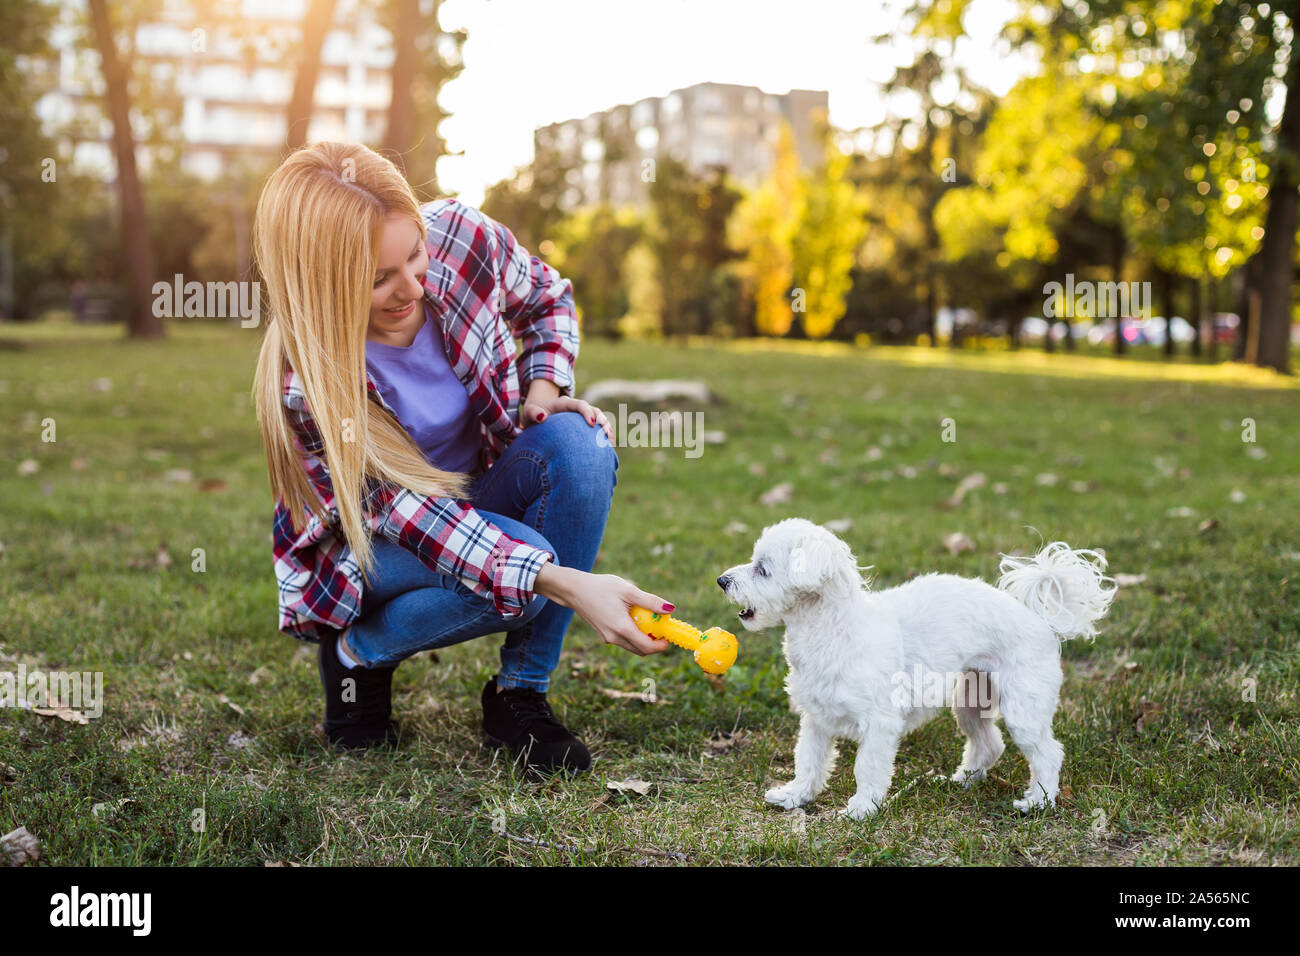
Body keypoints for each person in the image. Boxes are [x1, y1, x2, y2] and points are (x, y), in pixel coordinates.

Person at [250, 142, 673, 777]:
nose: (413, 288)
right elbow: (411, 513)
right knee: (526, 580)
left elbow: (547, 299)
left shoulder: (462, 238)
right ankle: (359, 652)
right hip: (377, 542)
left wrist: (542, 395)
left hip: (476, 489)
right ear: (320, 282)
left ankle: (518, 694)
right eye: (377, 279)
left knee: (579, 448)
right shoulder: (305, 382)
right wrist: (567, 585)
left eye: (414, 254)